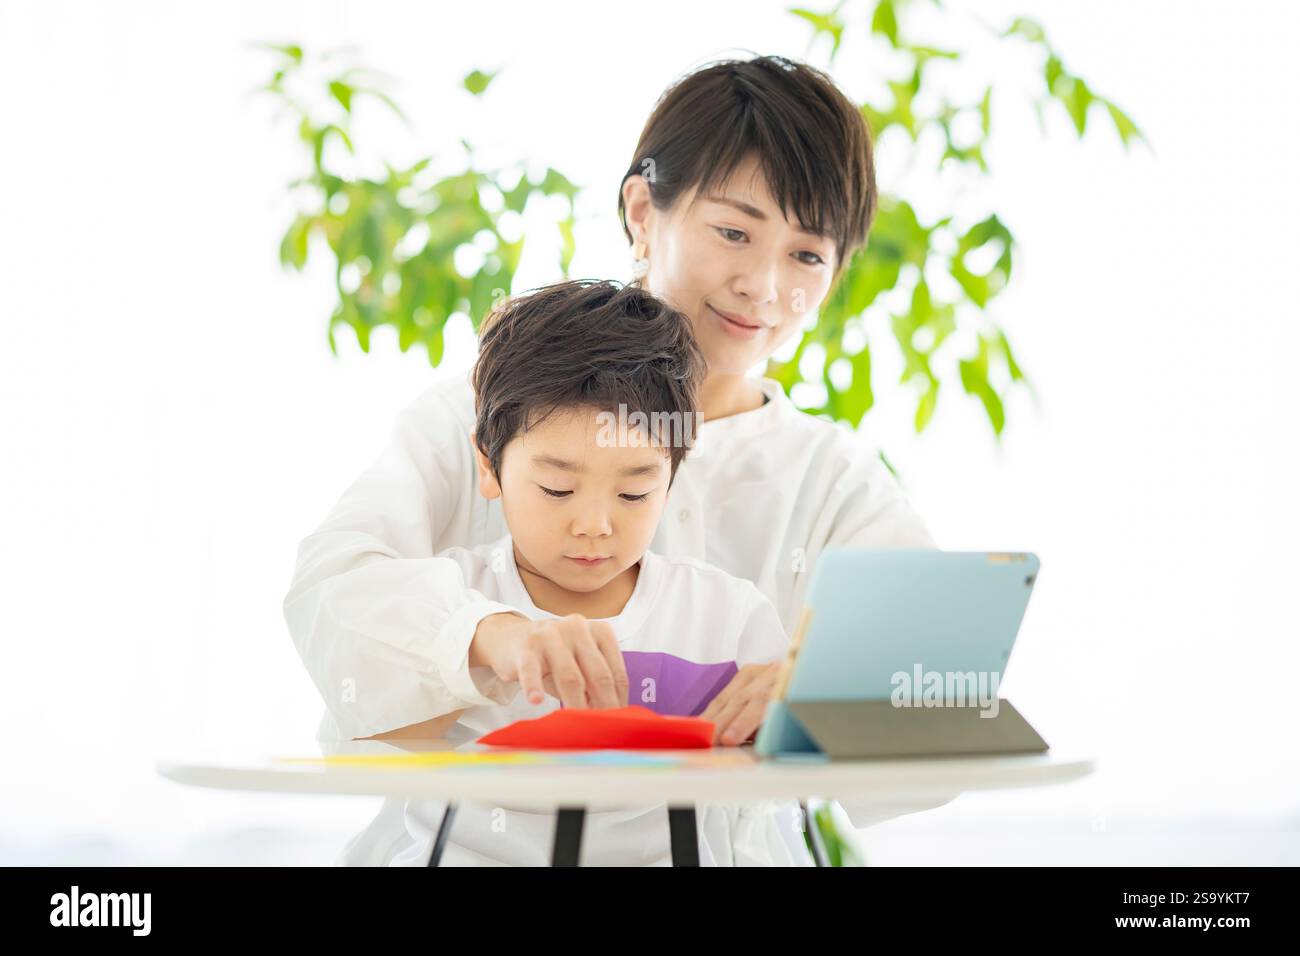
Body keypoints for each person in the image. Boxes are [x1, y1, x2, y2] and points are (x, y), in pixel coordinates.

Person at [283, 54, 940, 840]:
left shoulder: (832, 478)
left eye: (807, 255)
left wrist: (824, 692)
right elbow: (334, 589)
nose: (765, 288)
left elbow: (941, 687)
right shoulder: (486, 412)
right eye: (734, 232)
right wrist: (488, 636)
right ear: (642, 210)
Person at [337, 278, 810, 865]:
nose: (594, 525)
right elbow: (364, 687)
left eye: (635, 493)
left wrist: (799, 707)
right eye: (557, 488)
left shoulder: (724, 616)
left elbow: (792, 778)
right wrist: (488, 644)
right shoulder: (452, 597)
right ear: (489, 466)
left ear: (673, 478)